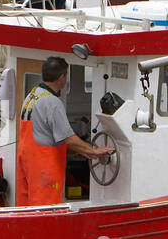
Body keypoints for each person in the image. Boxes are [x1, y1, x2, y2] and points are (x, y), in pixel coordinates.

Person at [17, 56, 115, 206]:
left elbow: (46, 136)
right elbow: (68, 138)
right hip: (44, 170)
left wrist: (84, 151)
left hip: (27, 164)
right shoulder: (53, 103)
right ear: (62, 77)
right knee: (46, 212)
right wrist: (94, 150)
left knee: (27, 208)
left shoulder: (32, 95)